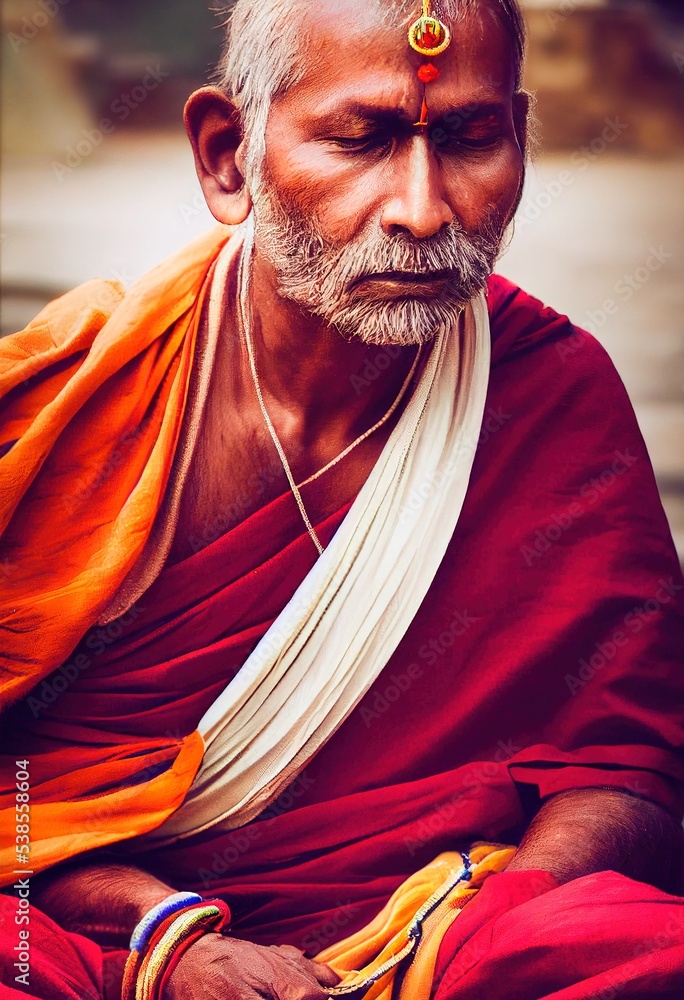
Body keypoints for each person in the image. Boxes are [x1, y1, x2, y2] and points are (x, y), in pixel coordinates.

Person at [1, 0, 683, 997]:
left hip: (446, 925)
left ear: (521, 138)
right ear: (227, 156)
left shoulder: (553, 395)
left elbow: (625, 767)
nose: (423, 207)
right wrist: (163, 941)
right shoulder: (74, 405)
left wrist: (484, 933)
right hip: (108, 927)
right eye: (361, 140)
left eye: (469, 139)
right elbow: (19, 791)